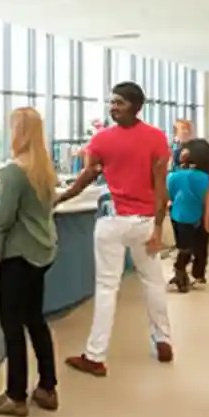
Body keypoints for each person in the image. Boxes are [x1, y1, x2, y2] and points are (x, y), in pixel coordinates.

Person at [55, 82, 173, 377]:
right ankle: (163, 339)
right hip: (144, 223)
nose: (113, 107)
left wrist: (60, 198)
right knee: (153, 281)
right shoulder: (157, 139)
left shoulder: (102, 140)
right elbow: (159, 188)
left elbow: (87, 177)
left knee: (107, 287)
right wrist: (158, 227)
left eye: (119, 102)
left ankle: (95, 356)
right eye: (111, 102)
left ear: (135, 105)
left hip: (114, 222)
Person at [0, 107, 60, 417]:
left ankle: (15, 396)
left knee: (11, 325)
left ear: (19, 132)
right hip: (42, 252)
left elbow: (2, 219)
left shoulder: (15, 170)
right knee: (35, 320)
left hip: (19, 255)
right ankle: (47, 387)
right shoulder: (44, 168)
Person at [167, 139, 209, 292]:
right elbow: (207, 202)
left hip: (179, 215)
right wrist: (207, 223)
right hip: (198, 216)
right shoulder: (206, 178)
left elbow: (169, 196)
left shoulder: (173, 176)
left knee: (184, 247)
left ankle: (181, 272)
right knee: (199, 245)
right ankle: (194, 273)